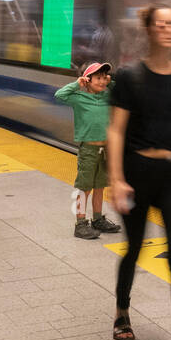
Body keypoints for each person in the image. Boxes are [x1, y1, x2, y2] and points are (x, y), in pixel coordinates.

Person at [106, 6, 171, 340]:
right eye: (161, 24)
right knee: (134, 248)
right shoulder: (130, 76)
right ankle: (122, 311)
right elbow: (115, 130)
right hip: (137, 173)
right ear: (147, 29)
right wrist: (116, 180)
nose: (169, 30)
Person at [55, 61, 121, 239]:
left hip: (105, 150)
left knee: (99, 186)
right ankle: (81, 223)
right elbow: (59, 95)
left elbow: (121, 90)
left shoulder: (108, 97)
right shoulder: (79, 97)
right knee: (84, 188)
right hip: (88, 151)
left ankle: (97, 220)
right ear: (88, 80)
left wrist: (111, 80)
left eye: (104, 78)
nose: (101, 82)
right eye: (97, 78)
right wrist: (77, 83)